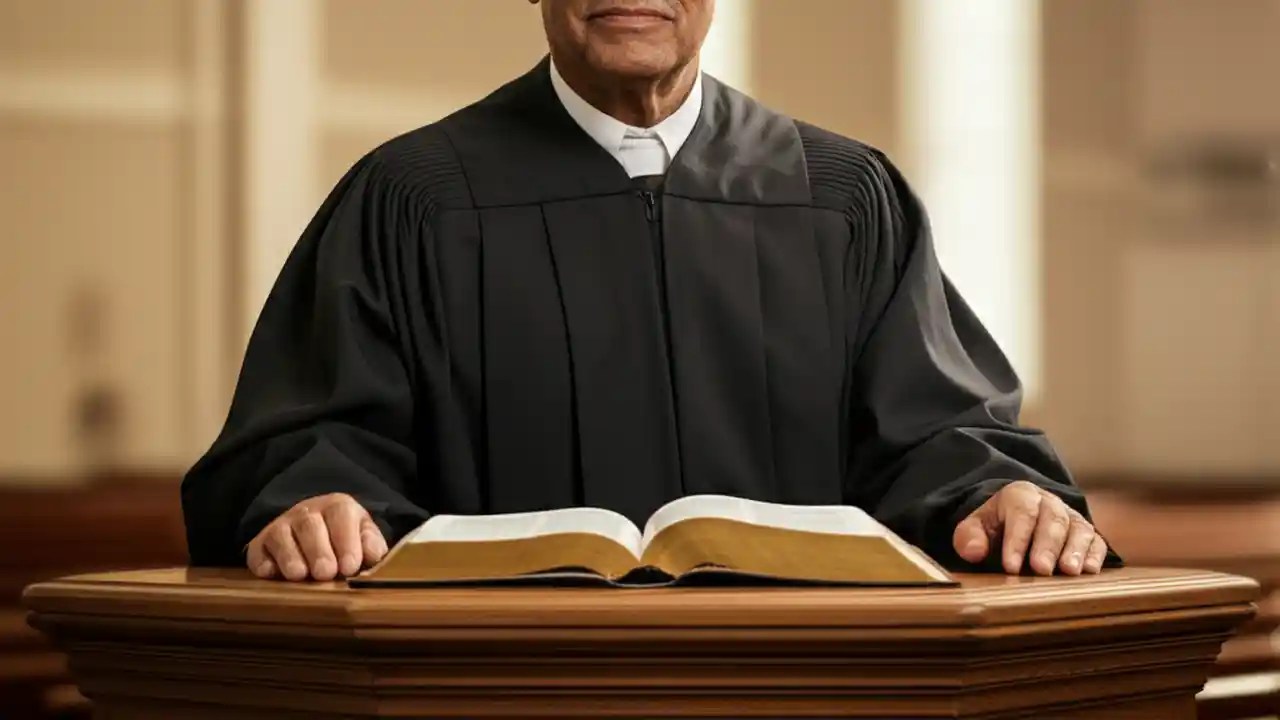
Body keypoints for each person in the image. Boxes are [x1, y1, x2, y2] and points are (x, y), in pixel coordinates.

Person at [182, 0, 1116, 582]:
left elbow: (932, 432)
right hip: (494, 694)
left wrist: (994, 497)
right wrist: (316, 502)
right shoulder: (415, 199)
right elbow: (317, 438)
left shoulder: (840, 198)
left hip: (798, 693)